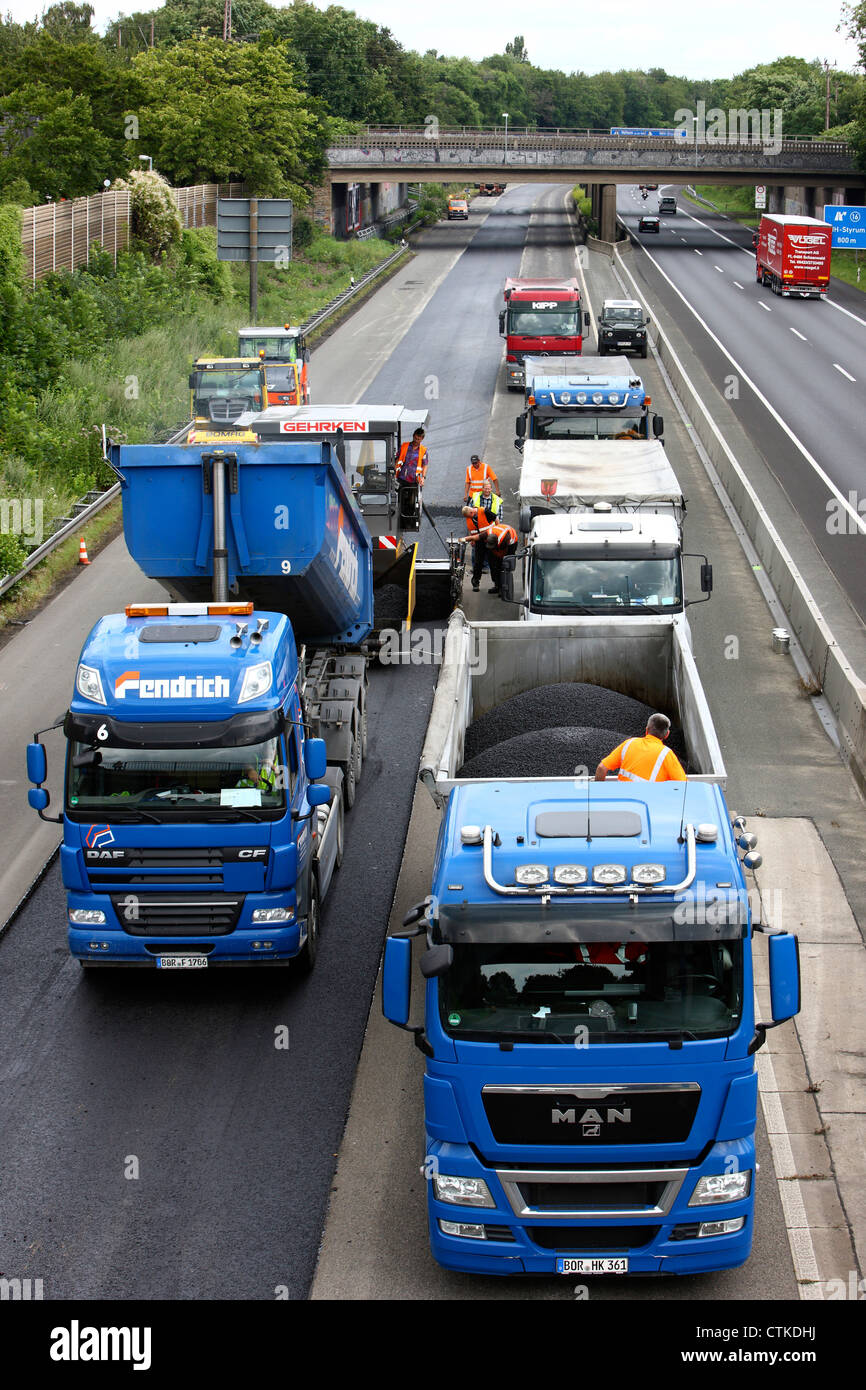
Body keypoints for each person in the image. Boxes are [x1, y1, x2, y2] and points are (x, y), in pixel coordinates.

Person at [594, 713, 686, 783]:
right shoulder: (666, 754)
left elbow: (601, 768)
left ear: (646, 730)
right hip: (647, 804)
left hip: (621, 802)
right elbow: (683, 785)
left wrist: (599, 794)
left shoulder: (629, 743)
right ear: (667, 734)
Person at [464, 480, 505, 589]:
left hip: (491, 536)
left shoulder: (495, 502)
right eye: (485, 488)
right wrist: (473, 538)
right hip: (479, 537)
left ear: (491, 489)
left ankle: (497, 585)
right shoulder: (476, 499)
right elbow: (471, 521)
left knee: (493, 562)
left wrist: (497, 533)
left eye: (488, 488)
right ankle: (476, 583)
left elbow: (498, 518)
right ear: (482, 489)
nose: (487, 490)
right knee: (478, 561)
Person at [483, 521, 519, 595]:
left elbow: (503, 553)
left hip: (510, 546)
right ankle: (497, 586)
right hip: (499, 542)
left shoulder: (506, 539)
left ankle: (504, 588)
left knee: (505, 566)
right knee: (494, 566)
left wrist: (500, 558)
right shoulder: (488, 535)